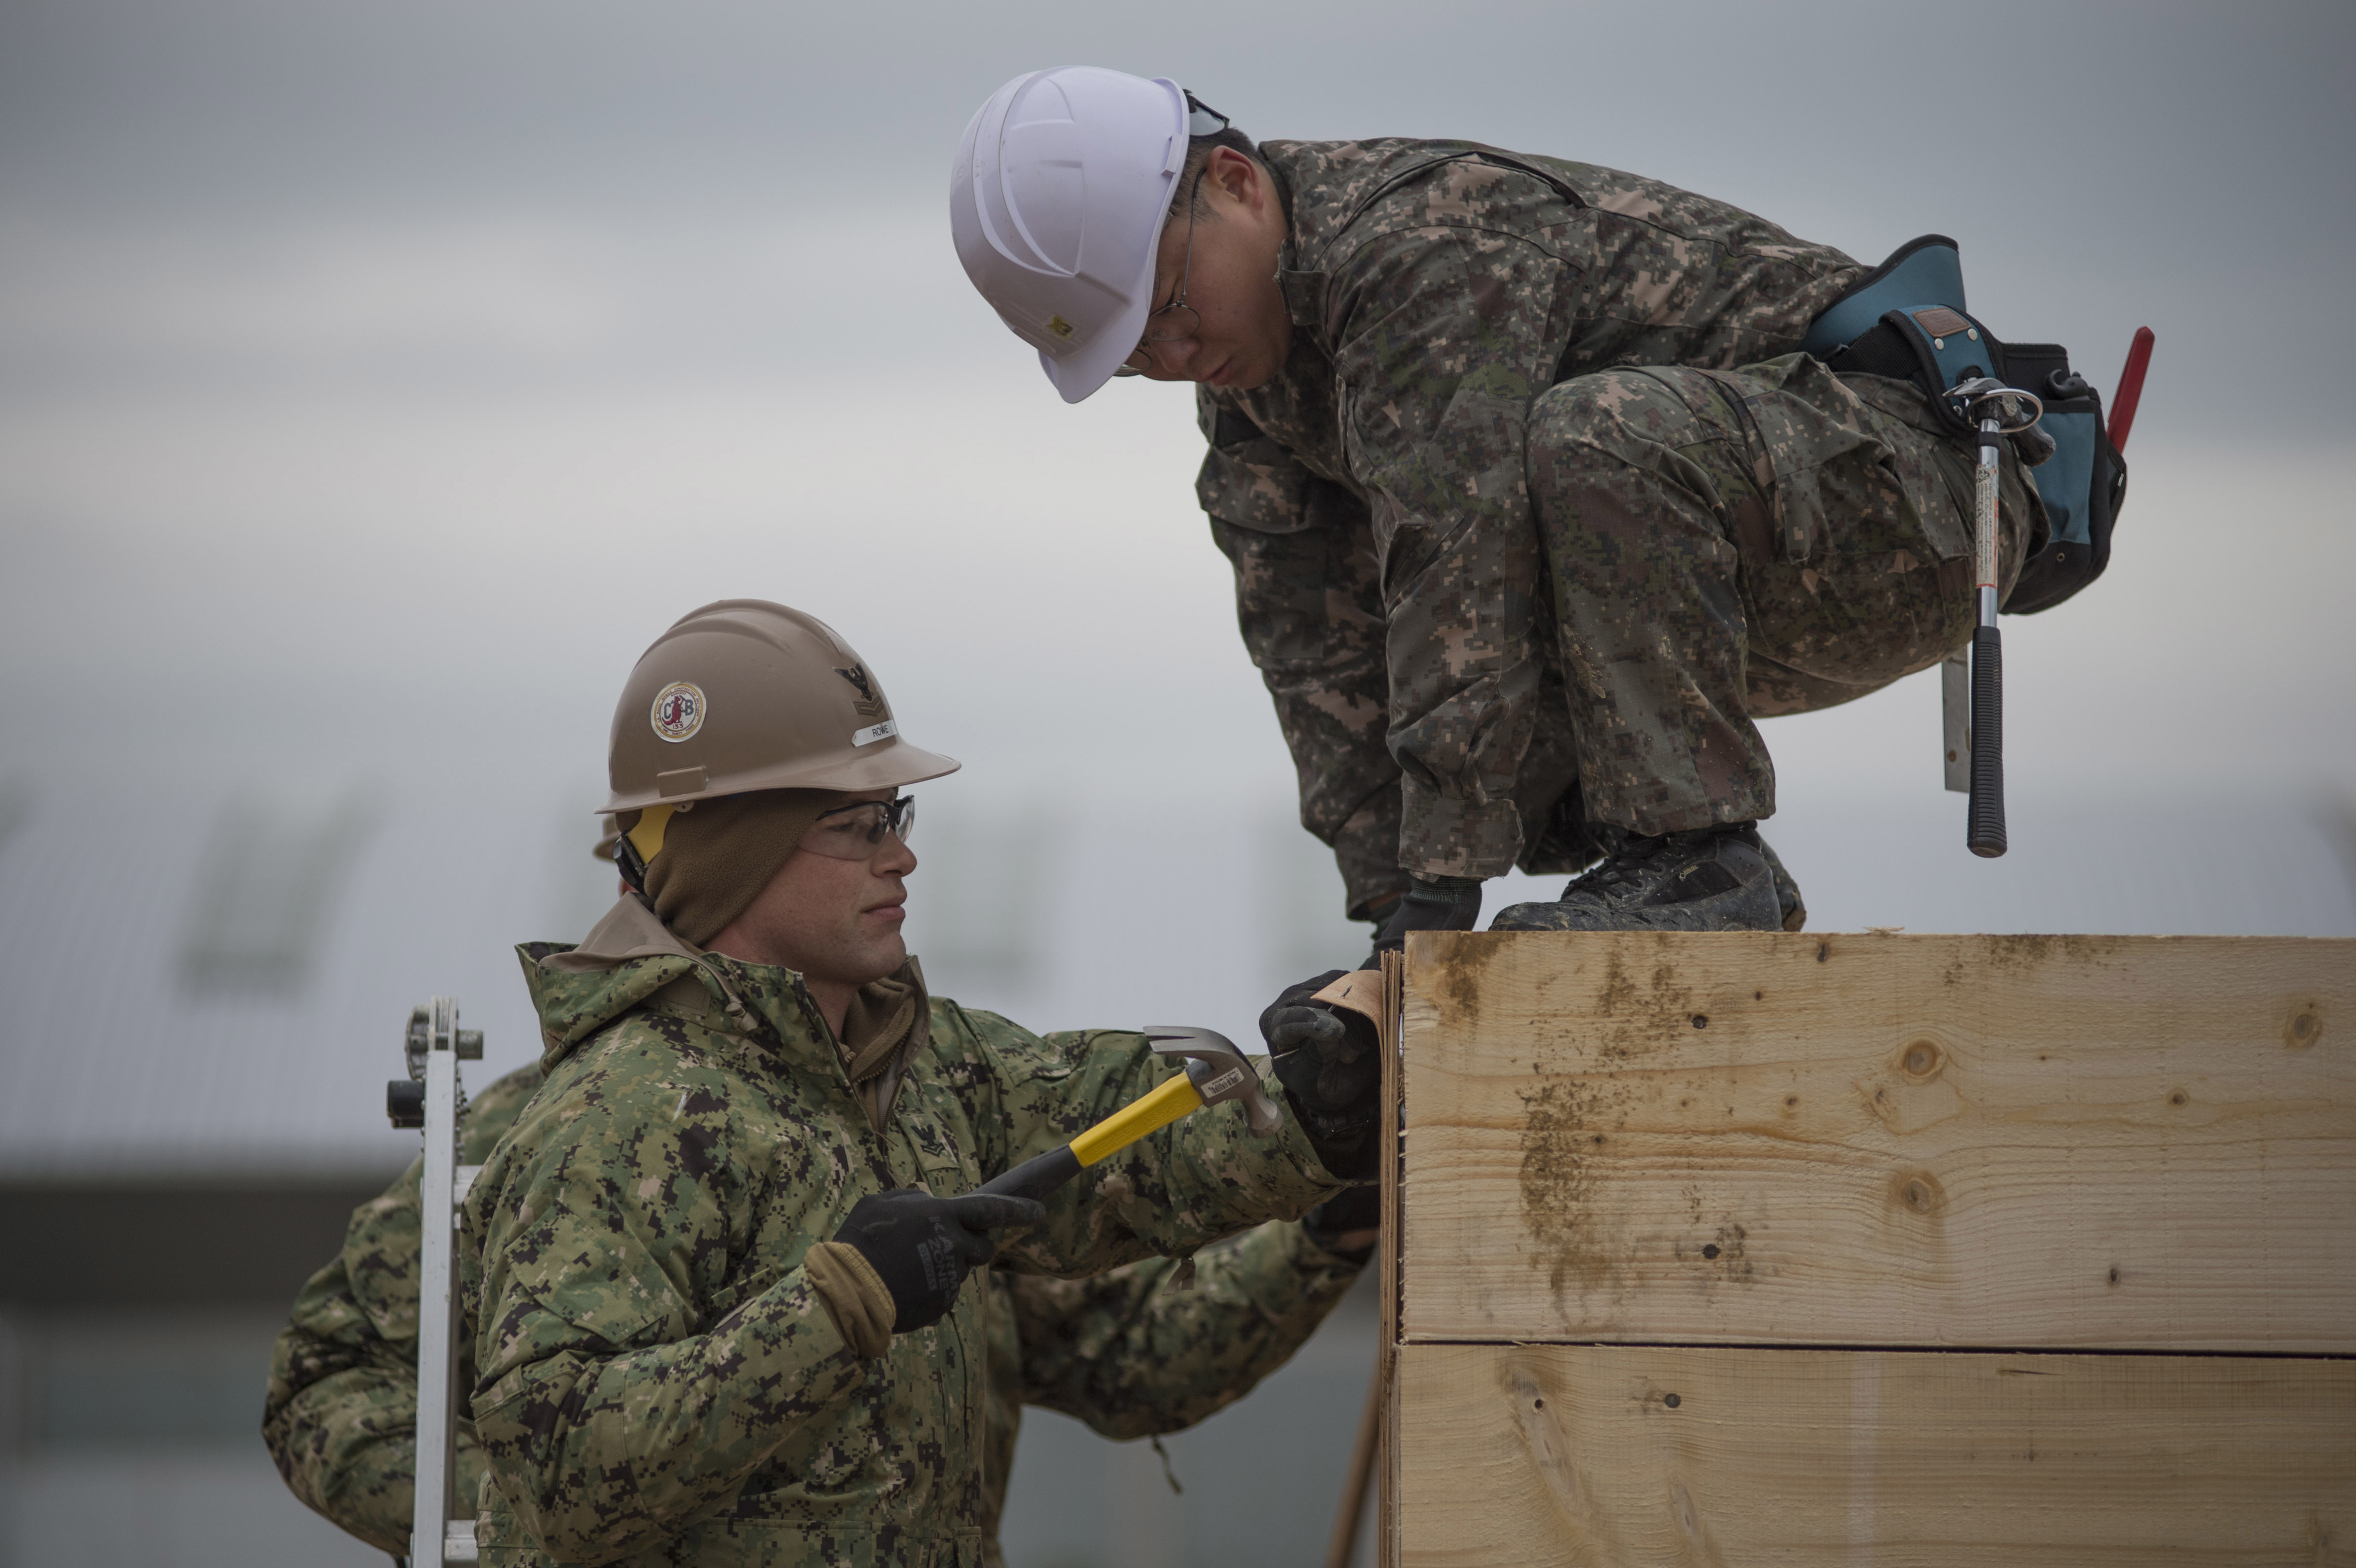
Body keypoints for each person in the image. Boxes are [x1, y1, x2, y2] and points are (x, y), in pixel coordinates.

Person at [953, 69, 2059, 952]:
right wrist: (1389, 925)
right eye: (1135, 356)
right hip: (1737, 559)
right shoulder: (1256, 394)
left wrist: (1447, 880)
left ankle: (1699, 862)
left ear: (1238, 185)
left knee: (1583, 437)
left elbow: (1459, 556)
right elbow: (1310, 652)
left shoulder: (1427, 245)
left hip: (1917, 503)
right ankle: (1674, 863)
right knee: (1454, 554)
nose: (1176, 354)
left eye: (1169, 309)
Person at [449, 598, 1375, 1567]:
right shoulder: (619, 1113)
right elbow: (563, 1473)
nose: (902, 854)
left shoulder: (916, 1062)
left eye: (897, 815)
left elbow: (1112, 1126)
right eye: (857, 825)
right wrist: (834, 1306)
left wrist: (1316, 1107)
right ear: (735, 852)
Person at [262, 1057, 1374, 1564]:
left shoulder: (912, 1126)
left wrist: (1320, 1235)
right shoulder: (552, 1133)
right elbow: (331, 1379)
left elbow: (1122, 1355)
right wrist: (516, 1519)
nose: (896, 859)